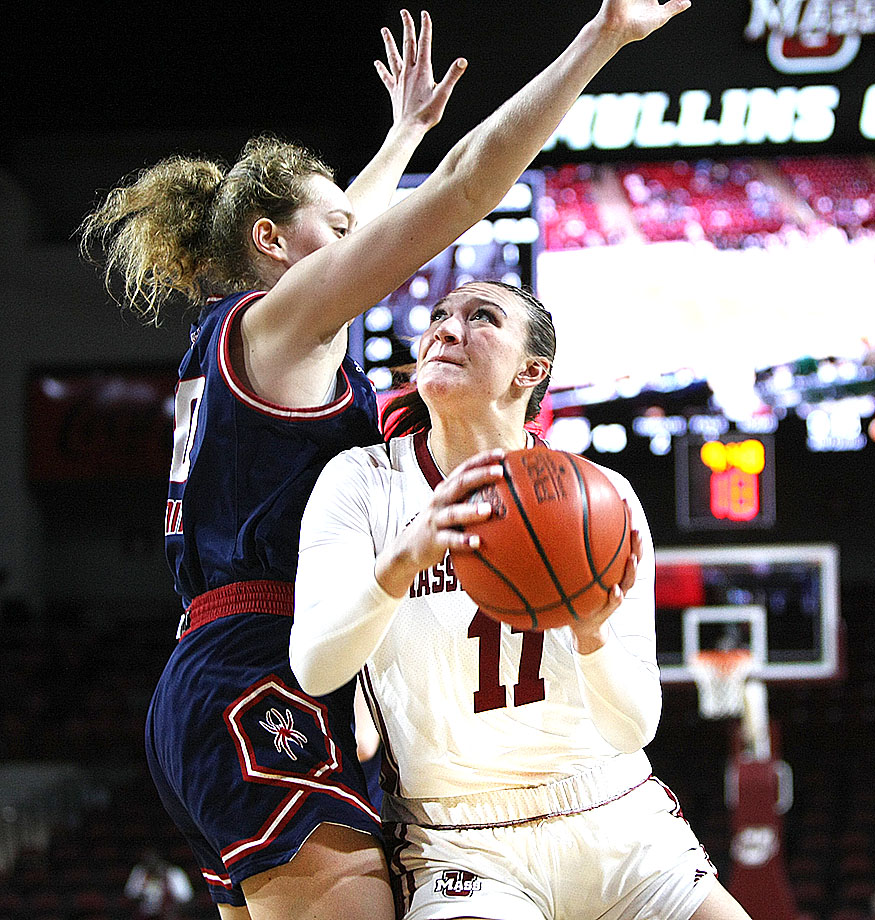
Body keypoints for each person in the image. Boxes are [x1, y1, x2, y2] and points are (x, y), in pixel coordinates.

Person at [79, 3, 690, 918]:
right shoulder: (282, 325)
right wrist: (598, 42)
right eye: (342, 228)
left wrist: (400, 130)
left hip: (220, 671)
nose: (365, 236)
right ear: (272, 244)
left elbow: (344, 215)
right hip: (264, 669)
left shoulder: (238, 340)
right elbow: (462, 186)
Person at [291, 280, 753, 920]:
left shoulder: (602, 500)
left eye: (481, 318)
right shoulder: (362, 482)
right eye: (440, 317)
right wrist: (400, 562)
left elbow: (633, 726)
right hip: (461, 845)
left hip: (616, 819)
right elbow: (316, 668)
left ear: (531, 371)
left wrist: (592, 636)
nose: (446, 330)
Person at [124, 849, 195, 920]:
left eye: (154, 859)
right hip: (145, 914)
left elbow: (185, 898)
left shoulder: (174, 873)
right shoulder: (140, 872)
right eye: (148, 860)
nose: (151, 862)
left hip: (169, 913)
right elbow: (131, 895)